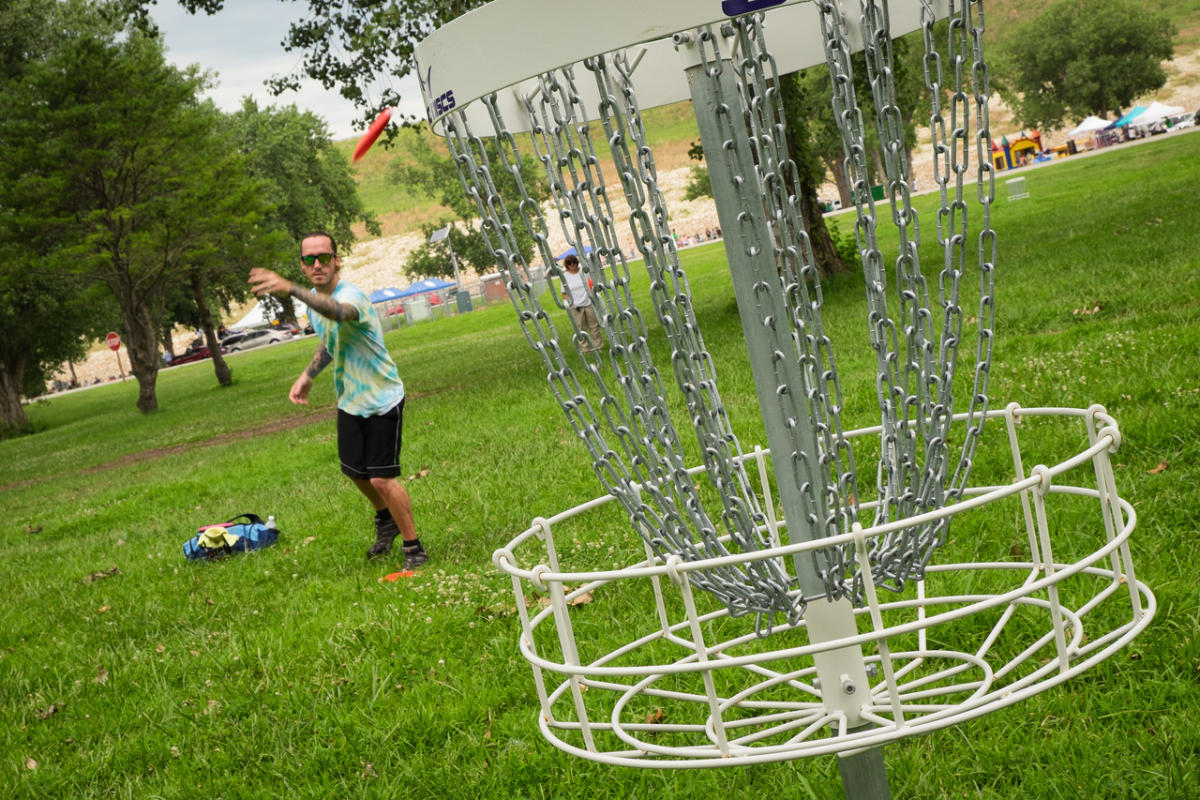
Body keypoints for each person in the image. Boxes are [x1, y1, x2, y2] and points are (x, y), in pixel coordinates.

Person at [248, 231, 427, 568]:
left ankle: (414, 549)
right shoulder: (315, 306)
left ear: (337, 260)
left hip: (382, 397)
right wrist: (308, 375)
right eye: (309, 259)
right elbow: (332, 338)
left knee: (381, 478)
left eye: (324, 257)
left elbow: (340, 314)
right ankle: (385, 520)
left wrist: (290, 289)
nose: (317, 264)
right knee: (355, 471)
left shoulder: (351, 296)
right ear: (302, 265)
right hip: (350, 401)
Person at [559, 254, 603, 354]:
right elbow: (564, 293)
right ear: (567, 265)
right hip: (576, 306)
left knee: (594, 327)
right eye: (569, 263)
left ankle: (598, 347)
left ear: (577, 262)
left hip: (589, 303)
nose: (572, 265)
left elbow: (592, 284)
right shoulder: (565, 277)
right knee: (580, 329)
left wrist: (593, 296)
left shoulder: (584, 272)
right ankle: (586, 349)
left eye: (574, 262)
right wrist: (572, 303)